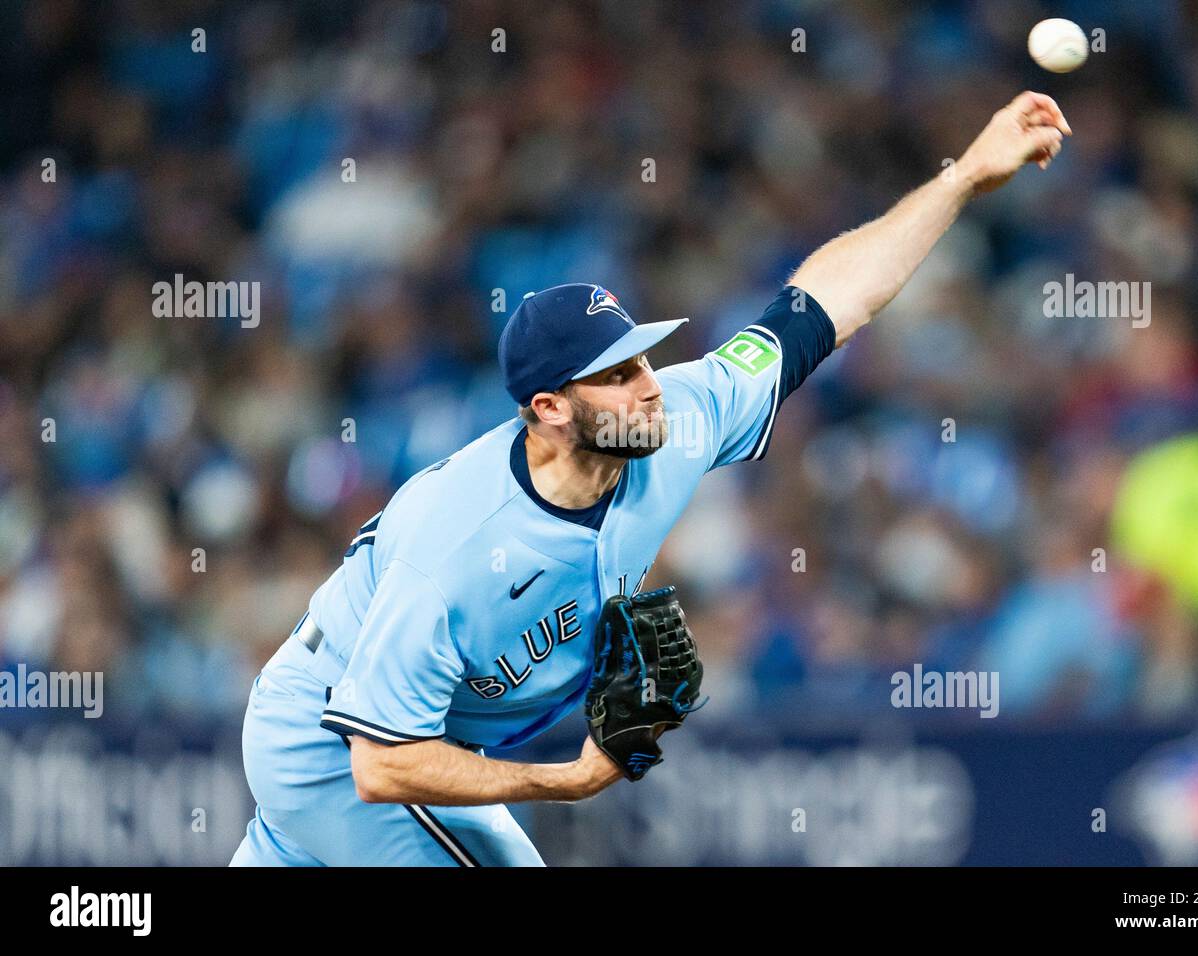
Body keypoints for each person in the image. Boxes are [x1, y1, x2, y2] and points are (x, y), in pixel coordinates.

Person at [230, 92, 1071, 865]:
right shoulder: (455, 541)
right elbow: (382, 764)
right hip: (330, 751)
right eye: (617, 375)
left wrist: (962, 176)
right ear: (552, 408)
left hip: (400, 743)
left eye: (641, 358)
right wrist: (567, 779)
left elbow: (821, 307)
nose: (649, 385)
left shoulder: (677, 422)